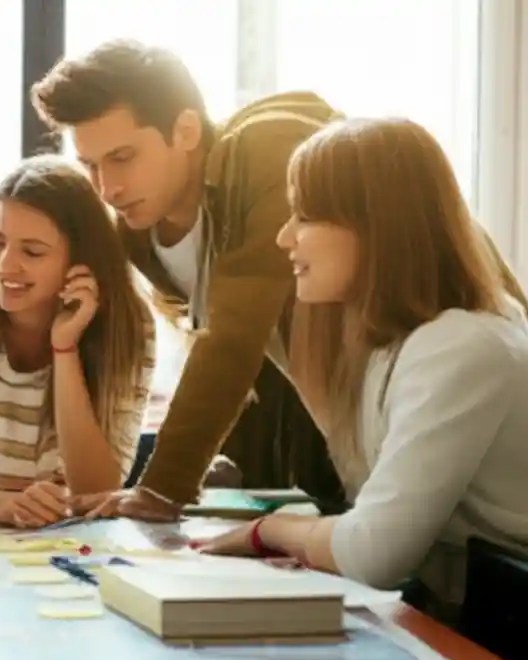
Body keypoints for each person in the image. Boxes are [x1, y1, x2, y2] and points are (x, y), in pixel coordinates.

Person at [197, 118, 528, 624]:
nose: (285, 237)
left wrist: (272, 530)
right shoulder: (398, 345)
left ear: (377, 226)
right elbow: (371, 520)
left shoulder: (463, 345)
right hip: (472, 617)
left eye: (304, 216)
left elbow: (372, 554)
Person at [31, 40, 343, 520]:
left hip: (421, 375)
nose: (107, 188)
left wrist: (162, 489)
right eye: (90, 166)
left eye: (123, 157)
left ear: (186, 130)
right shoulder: (140, 234)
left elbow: (233, 335)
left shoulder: (268, 150)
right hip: (316, 409)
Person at [0, 155, 155, 526]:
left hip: (82, 535)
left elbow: (96, 487)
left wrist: (65, 348)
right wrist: (4, 506)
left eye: (32, 252)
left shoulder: (130, 325)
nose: (5, 264)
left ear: (80, 261)